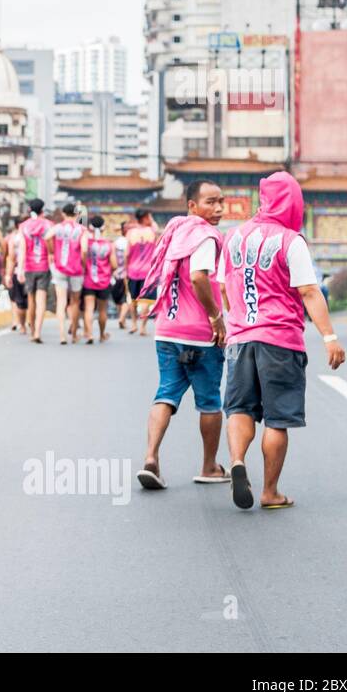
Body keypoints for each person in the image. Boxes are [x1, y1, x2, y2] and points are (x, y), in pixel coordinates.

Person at [222, 171, 345, 510]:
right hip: (280, 340)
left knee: (239, 408)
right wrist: (330, 337)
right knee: (277, 418)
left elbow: (223, 288)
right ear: (293, 202)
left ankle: (236, 460)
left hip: (239, 339)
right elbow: (308, 290)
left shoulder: (232, 237)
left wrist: (236, 323)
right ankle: (270, 492)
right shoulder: (291, 241)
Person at [135, 180, 230, 491]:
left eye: (221, 202)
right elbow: (199, 277)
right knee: (209, 401)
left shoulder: (175, 231)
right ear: (192, 206)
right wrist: (217, 318)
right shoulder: (205, 237)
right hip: (200, 334)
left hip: (167, 329)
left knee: (166, 393)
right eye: (210, 202)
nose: (217, 209)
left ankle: (151, 458)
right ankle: (209, 466)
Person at [15, 198, 53, 342]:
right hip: (44, 266)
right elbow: (52, 247)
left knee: (31, 300)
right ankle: (37, 331)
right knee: (41, 299)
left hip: (29, 267)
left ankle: (32, 331)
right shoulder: (49, 225)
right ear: (42, 210)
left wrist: (20, 269)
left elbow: (22, 249)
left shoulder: (23, 226)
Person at [48, 202, 85, 345]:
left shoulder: (57, 228)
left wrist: (51, 251)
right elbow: (85, 249)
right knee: (75, 302)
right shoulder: (82, 229)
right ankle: (74, 334)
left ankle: (62, 335)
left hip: (59, 267)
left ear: (63, 214)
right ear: (77, 215)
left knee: (61, 301)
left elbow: (46, 237)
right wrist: (82, 263)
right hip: (76, 269)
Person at [81, 215, 116, 344]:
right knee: (102, 310)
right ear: (103, 228)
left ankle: (89, 334)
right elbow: (114, 264)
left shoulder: (87, 243)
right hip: (104, 281)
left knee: (89, 308)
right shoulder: (108, 244)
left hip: (88, 280)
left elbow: (82, 256)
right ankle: (101, 335)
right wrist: (109, 272)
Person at [125, 208, 159, 334]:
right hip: (148, 271)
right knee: (146, 300)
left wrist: (125, 268)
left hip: (132, 270)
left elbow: (127, 253)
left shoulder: (130, 232)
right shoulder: (152, 231)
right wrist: (152, 222)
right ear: (145, 218)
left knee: (132, 299)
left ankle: (133, 323)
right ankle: (142, 327)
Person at [4, 212, 30, 334]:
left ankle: (21, 324)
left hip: (18, 272)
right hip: (32, 270)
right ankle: (29, 324)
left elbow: (10, 258)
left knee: (18, 300)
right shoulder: (34, 236)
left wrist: (8, 274)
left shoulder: (12, 238)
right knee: (29, 299)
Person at [113, 222, 131, 329]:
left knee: (120, 298)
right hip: (127, 273)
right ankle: (122, 318)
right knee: (127, 297)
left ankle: (122, 318)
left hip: (117, 273)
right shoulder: (130, 242)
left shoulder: (116, 242)